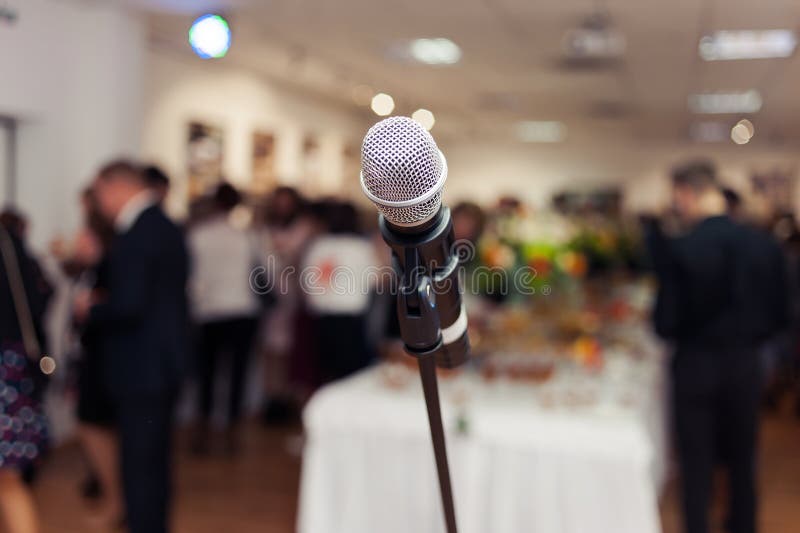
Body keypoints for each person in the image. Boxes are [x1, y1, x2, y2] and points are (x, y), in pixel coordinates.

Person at [644, 161, 789, 533]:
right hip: (745, 363)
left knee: (696, 463)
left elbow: (665, 323)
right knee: (743, 458)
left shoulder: (682, 247)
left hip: (695, 365)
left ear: (685, 194)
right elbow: (781, 313)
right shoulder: (763, 244)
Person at [74, 160, 189, 533]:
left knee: (140, 466)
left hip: (142, 366)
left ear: (116, 187)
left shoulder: (140, 230)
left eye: (100, 192)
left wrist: (91, 308)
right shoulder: (160, 224)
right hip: (158, 363)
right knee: (151, 464)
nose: (99, 202)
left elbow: (130, 304)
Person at [55, 188, 122, 524]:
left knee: (95, 423)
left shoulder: (114, 246)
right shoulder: (101, 249)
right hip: (90, 349)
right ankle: (110, 492)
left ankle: (114, 498)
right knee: (93, 423)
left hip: (101, 351)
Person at [188, 183, 261, 454]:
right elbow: (267, 270)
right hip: (241, 309)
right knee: (237, 374)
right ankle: (231, 433)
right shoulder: (246, 236)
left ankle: (203, 431)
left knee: (207, 373)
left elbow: (192, 277)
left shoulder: (199, 235)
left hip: (208, 311)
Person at [0, 212, 51, 533]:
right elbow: (39, 299)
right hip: (11, 366)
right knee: (8, 480)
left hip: (6, 369)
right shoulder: (9, 241)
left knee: (7, 480)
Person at [301, 201, 378, 383]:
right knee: (351, 376)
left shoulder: (318, 246)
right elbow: (376, 279)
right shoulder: (360, 247)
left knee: (326, 373)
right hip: (351, 320)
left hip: (322, 319)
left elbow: (306, 281)